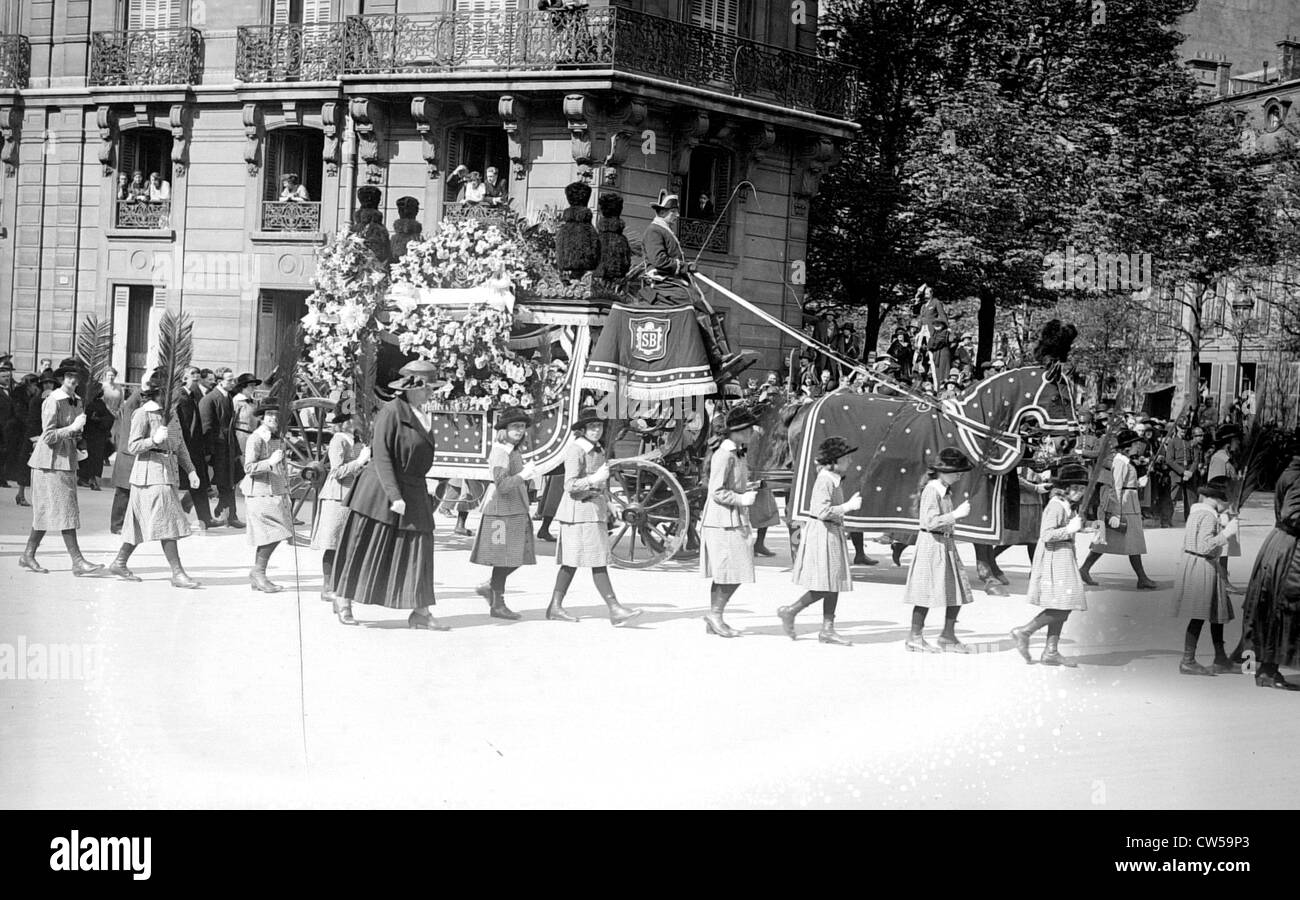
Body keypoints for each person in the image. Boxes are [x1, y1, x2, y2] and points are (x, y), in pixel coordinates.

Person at [330, 362, 446, 629]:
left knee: (419, 547)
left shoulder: (421, 414)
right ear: (412, 388)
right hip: (381, 491)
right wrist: (395, 496)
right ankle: (344, 599)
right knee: (364, 546)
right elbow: (381, 457)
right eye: (428, 388)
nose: (432, 393)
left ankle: (421, 611)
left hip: (413, 488)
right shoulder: (390, 413)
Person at [545, 409, 643, 625]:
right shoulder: (575, 450)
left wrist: (610, 503)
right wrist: (593, 478)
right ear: (582, 429)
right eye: (592, 427)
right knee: (591, 561)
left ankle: (555, 606)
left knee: (578, 562)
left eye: (599, 426)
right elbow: (570, 485)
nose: (597, 430)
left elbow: (602, 484)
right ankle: (614, 609)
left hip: (593, 511)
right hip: (578, 512)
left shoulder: (596, 449)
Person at [107, 376, 201, 588]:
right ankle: (177, 573)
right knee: (167, 521)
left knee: (139, 522)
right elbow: (133, 446)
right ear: (159, 392)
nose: (175, 395)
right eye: (170, 392)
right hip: (149, 474)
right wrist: (153, 440)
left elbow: (180, 445)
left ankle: (119, 562)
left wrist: (192, 470)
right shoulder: (142, 413)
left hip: (167, 472)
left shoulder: (171, 413)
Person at [639, 190, 743, 382]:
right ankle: (714, 358)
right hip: (662, 283)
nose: (677, 215)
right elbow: (659, 260)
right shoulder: (654, 231)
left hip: (675, 280)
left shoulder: (665, 230)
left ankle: (723, 354)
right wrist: (684, 266)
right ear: (663, 212)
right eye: (674, 212)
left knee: (709, 310)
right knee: (696, 308)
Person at [17, 362, 104, 576]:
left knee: (50, 511)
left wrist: (80, 442)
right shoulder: (52, 401)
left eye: (76, 377)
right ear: (61, 378)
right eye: (69, 376)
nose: (73, 380)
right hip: (48, 463)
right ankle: (77, 561)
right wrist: (71, 428)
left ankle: (28, 555)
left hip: (66, 461)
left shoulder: (78, 401)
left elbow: (74, 433)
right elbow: (47, 437)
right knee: (65, 510)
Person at [778, 436, 863, 645]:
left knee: (834, 582)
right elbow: (821, 511)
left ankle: (828, 629)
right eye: (846, 458)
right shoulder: (825, 480)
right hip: (823, 533)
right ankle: (792, 610)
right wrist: (847, 507)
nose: (850, 461)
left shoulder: (833, 479)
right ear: (834, 460)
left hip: (832, 532)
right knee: (826, 583)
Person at [1010, 462, 1092, 666]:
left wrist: (1085, 529)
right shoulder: (1055, 505)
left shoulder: (1066, 505)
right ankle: (1025, 631)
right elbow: (1046, 535)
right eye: (1076, 488)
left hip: (1064, 554)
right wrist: (1069, 530)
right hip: (1055, 557)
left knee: (1063, 603)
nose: (1080, 493)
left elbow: (1068, 527)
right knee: (1065, 603)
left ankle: (1051, 651)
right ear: (1064, 487)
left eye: (1083, 489)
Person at [1237, 436, 1300, 689]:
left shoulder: (1291, 472)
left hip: (1281, 545)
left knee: (1271, 608)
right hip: (1290, 550)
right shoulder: (1298, 477)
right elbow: (1293, 515)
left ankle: (1266, 670)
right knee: (1282, 608)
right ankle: (1266, 670)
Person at [902, 447, 976, 652]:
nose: (960, 474)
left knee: (957, 589)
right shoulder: (932, 490)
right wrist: (955, 515)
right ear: (944, 471)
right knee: (925, 592)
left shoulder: (944, 491)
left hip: (945, 544)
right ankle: (914, 636)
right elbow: (929, 521)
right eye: (957, 470)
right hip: (931, 544)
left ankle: (948, 635)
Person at [471, 407, 538, 620]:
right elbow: (502, 485)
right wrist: (524, 475)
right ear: (504, 429)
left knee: (517, 555)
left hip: (516, 509)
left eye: (522, 426)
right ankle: (497, 604)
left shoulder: (513, 450)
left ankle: (490, 587)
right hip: (500, 512)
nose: (519, 430)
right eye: (514, 426)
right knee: (503, 558)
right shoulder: (501, 451)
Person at [1169, 477, 1241, 676]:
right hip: (1203, 565)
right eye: (1226, 503)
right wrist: (1226, 534)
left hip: (1198, 564)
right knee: (1200, 614)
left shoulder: (1198, 512)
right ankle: (1188, 660)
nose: (1227, 507)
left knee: (1216, 614)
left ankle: (1220, 658)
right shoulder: (1209, 517)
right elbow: (1205, 546)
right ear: (1219, 499)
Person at [700, 407, 760, 638]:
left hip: (731, 518)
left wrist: (750, 488)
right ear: (735, 431)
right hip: (721, 520)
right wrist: (741, 498)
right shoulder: (724, 455)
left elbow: (732, 484)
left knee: (727, 571)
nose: (751, 432)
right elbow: (716, 491)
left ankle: (715, 617)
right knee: (733, 570)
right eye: (747, 429)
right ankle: (715, 616)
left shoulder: (736, 453)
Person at [1079, 429, 1158, 591]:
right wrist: (1115, 513)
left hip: (1128, 504)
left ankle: (1085, 569)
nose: (1138, 446)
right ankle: (1142, 578)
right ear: (1128, 446)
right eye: (1136, 444)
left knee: (1109, 541)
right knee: (1127, 542)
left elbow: (1125, 484)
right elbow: (1116, 487)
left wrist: (1138, 483)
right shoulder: (1120, 461)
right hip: (1124, 507)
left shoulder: (1125, 460)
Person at [313, 409, 370, 605]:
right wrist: (360, 461)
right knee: (332, 543)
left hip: (353, 496)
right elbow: (337, 472)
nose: (356, 421)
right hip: (336, 497)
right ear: (344, 423)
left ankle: (341, 586)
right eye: (353, 419)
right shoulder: (338, 440)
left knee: (346, 543)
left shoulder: (357, 441)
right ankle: (327, 587)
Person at [240, 398, 294, 593]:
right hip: (259, 492)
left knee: (272, 534)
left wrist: (286, 490)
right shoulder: (256, 438)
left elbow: (283, 468)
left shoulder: (278, 438)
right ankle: (258, 572)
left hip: (276, 492)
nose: (273, 418)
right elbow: (248, 468)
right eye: (269, 415)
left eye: (276, 415)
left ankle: (258, 574)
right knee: (275, 532)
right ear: (262, 417)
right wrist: (269, 462)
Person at [199, 367, 245, 528]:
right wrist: (209, 453)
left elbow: (230, 428)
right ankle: (230, 516)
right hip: (218, 450)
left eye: (233, 379)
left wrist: (236, 450)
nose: (233, 383)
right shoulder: (209, 400)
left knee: (233, 478)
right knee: (224, 483)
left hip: (228, 448)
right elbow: (207, 428)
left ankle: (226, 512)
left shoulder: (227, 397)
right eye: (229, 380)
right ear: (219, 381)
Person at [1206, 423, 1244, 593]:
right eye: (1236, 439)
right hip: (1222, 508)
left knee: (1226, 547)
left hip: (1229, 506)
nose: (1238, 443)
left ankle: (1223, 580)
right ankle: (1221, 582)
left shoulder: (1226, 458)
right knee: (1221, 546)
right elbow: (1215, 485)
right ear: (1229, 441)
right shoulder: (1219, 459)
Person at [174, 367, 213, 529]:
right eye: (193, 377)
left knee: (200, 485)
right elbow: (184, 427)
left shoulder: (193, 396)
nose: (196, 379)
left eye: (198, 378)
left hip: (195, 449)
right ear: (184, 378)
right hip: (187, 450)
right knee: (187, 485)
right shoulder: (182, 398)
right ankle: (178, 519)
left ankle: (206, 519)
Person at [77, 385, 113, 491]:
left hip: (95, 436)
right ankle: (90, 480)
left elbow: (108, 418)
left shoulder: (97, 404)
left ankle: (87, 479)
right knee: (93, 460)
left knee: (91, 459)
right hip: (94, 436)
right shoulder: (92, 404)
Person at [231, 372, 262, 456]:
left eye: (255, 385)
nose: (254, 388)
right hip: (241, 436)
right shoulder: (237, 401)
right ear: (243, 386)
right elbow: (231, 422)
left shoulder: (252, 402)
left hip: (252, 435)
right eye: (251, 385)